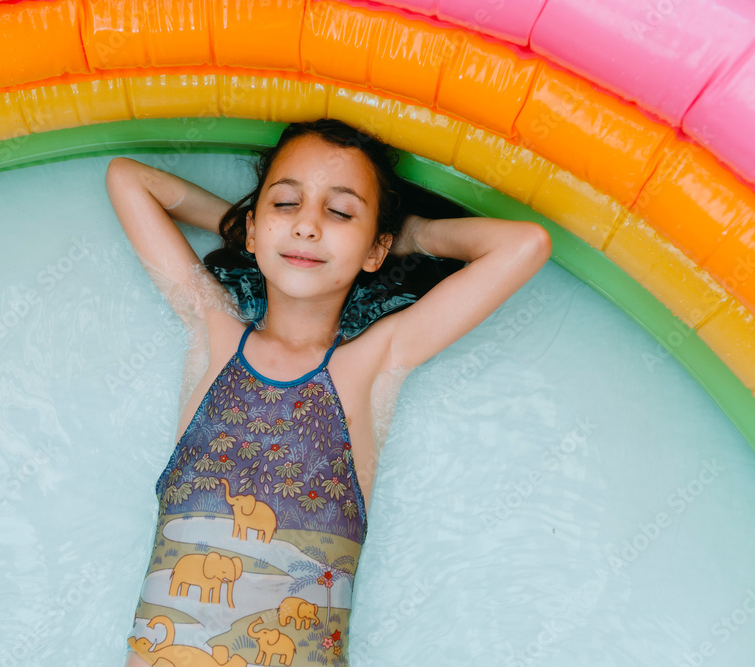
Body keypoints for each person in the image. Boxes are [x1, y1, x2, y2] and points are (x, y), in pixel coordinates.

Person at [105, 119, 551, 666]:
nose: (307, 226)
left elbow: (525, 244)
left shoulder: (371, 364)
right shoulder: (212, 330)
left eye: (340, 213)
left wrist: (405, 239)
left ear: (375, 248)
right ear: (252, 228)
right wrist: (245, 228)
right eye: (286, 204)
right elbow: (128, 179)